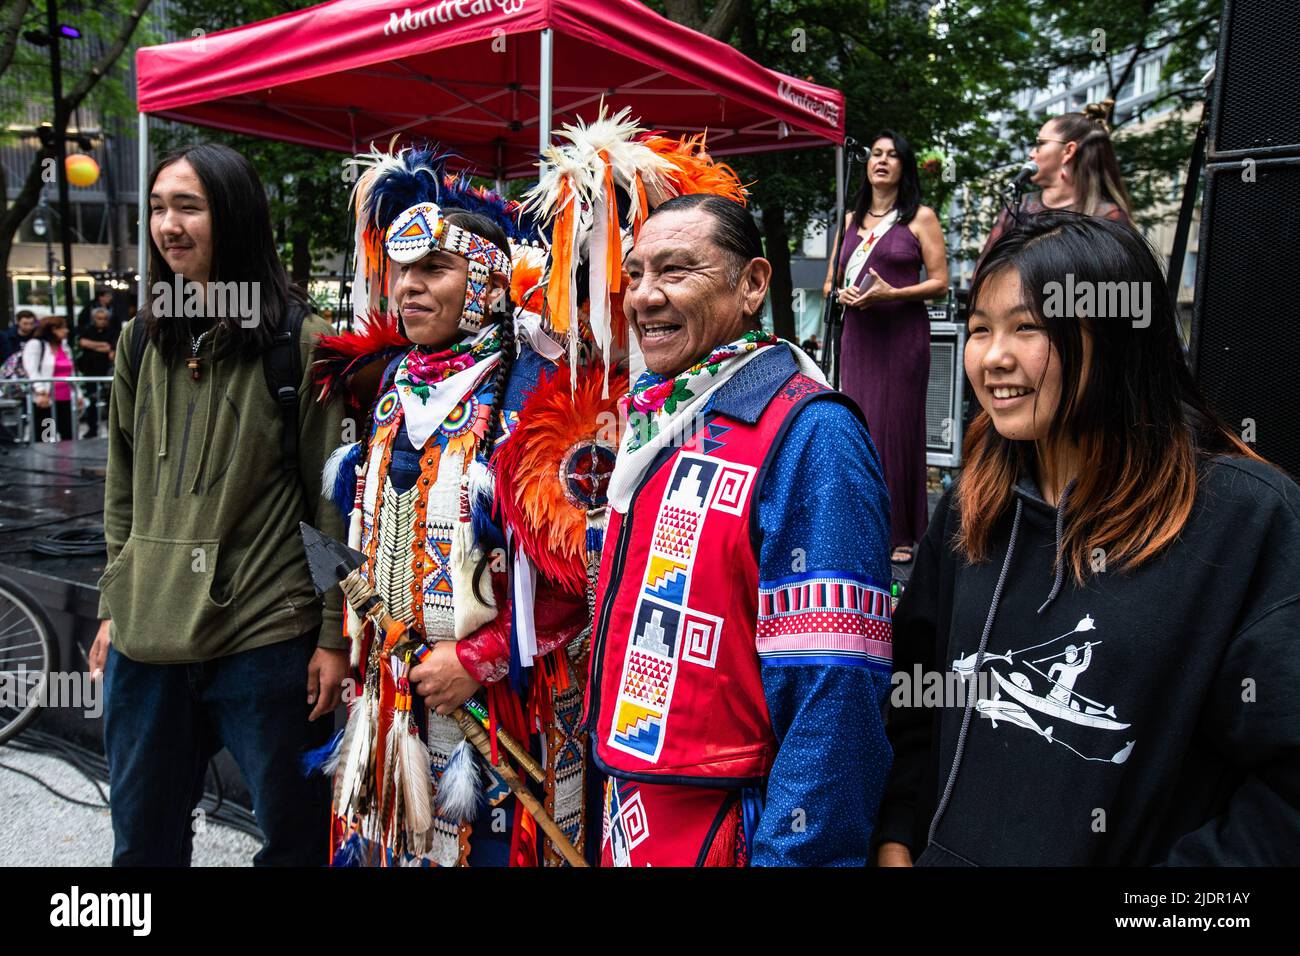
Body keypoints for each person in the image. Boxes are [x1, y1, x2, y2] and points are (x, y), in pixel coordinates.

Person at [874, 212, 1300, 866]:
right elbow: (914, 694)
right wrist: (899, 834)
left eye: (1027, 328)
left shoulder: (1248, 518)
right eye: (981, 329)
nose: (993, 358)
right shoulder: (972, 503)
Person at [309, 148, 600, 867]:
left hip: (501, 706)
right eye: (401, 271)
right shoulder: (393, 385)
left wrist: (480, 657)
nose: (407, 287)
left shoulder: (541, 397)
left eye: (432, 270)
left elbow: (586, 574)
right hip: (394, 698)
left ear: (487, 283)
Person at [588, 193, 895, 866]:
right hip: (635, 815)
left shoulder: (813, 435)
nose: (645, 297)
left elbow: (836, 692)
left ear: (753, 283)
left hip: (736, 832)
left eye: (675, 271)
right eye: (635, 274)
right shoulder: (661, 420)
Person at [88, 143, 349, 866]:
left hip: (266, 640)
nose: (168, 225)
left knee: (298, 842)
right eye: (159, 207)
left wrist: (331, 634)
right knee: (141, 845)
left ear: (233, 217)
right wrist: (115, 600)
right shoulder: (141, 340)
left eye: (189, 206)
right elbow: (122, 486)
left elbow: (333, 502)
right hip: (147, 640)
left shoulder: (302, 344)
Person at [823, 130, 949, 565]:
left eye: (893, 155)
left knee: (895, 430)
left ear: (903, 167)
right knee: (860, 426)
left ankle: (901, 530)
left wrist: (890, 294)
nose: (882, 160)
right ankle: (859, 521)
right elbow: (830, 283)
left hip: (901, 335)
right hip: (859, 335)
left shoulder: (920, 218)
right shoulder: (850, 221)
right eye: (875, 153)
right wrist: (843, 294)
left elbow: (940, 282)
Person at [980, 101, 1132, 259]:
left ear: (1068, 151)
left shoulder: (1108, 216)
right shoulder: (1019, 206)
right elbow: (983, 272)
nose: (1031, 153)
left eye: (1040, 144)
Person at [22, 314, 79, 441]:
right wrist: (40, 391)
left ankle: (66, 461)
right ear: (53, 329)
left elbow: (71, 372)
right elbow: (32, 370)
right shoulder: (36, 344)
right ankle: (45, 461)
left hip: (66, 398)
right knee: (46, 436)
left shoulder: (64, 346)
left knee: (68, 435)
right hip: (46, 399)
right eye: (63, 328)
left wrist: (78, 394)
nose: (67, 331)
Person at [77, 306, 119, 437]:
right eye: (99, 318)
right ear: (94, 319)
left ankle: (110, 430)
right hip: (90, 371)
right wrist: (103, 346)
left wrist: (94, 346)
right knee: (91, 402)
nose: (102, 321)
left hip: (107, 372)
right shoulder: (87, 330)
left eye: (105, 319)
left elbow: (111, 349)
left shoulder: (113, 331)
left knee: (110, 403)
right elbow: (83, 343)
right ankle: (92, 429)